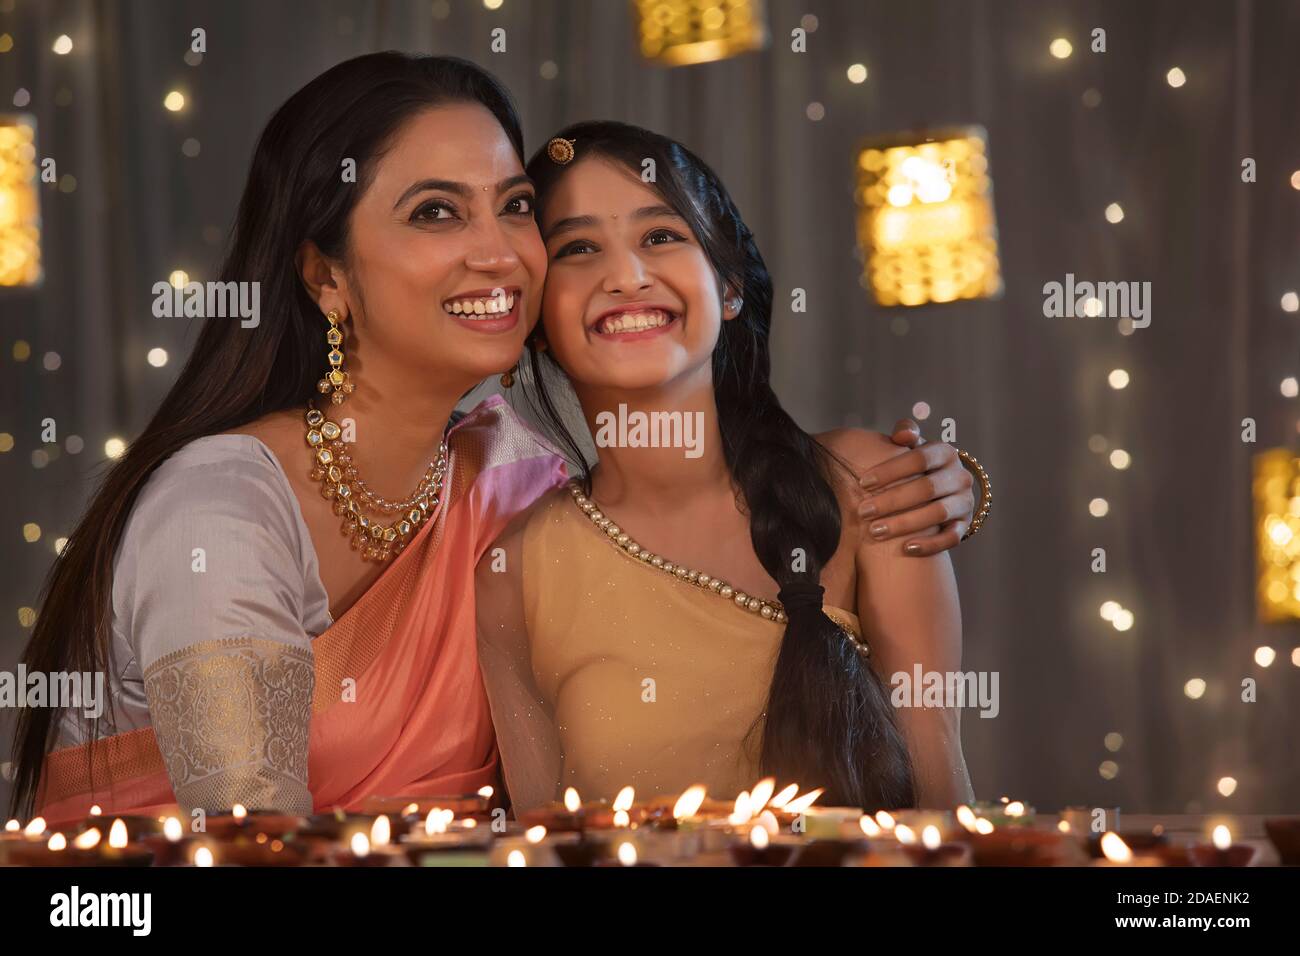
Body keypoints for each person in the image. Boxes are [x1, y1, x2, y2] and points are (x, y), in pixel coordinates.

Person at [10, 55, 981, 824]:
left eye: (514, 207)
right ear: (325, 275)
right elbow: (250, 835)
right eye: (436, 211)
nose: (497, 250)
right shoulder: (218, 513)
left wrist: (938, 485)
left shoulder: (510, 470)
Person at [477, 122, 980, 814]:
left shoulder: (869, 484)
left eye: (661, 236)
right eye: (579, 248)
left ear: (730, 285)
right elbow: (539, 845)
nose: (626, 276)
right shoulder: (514, 572)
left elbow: (943, 804)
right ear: (537, 316)